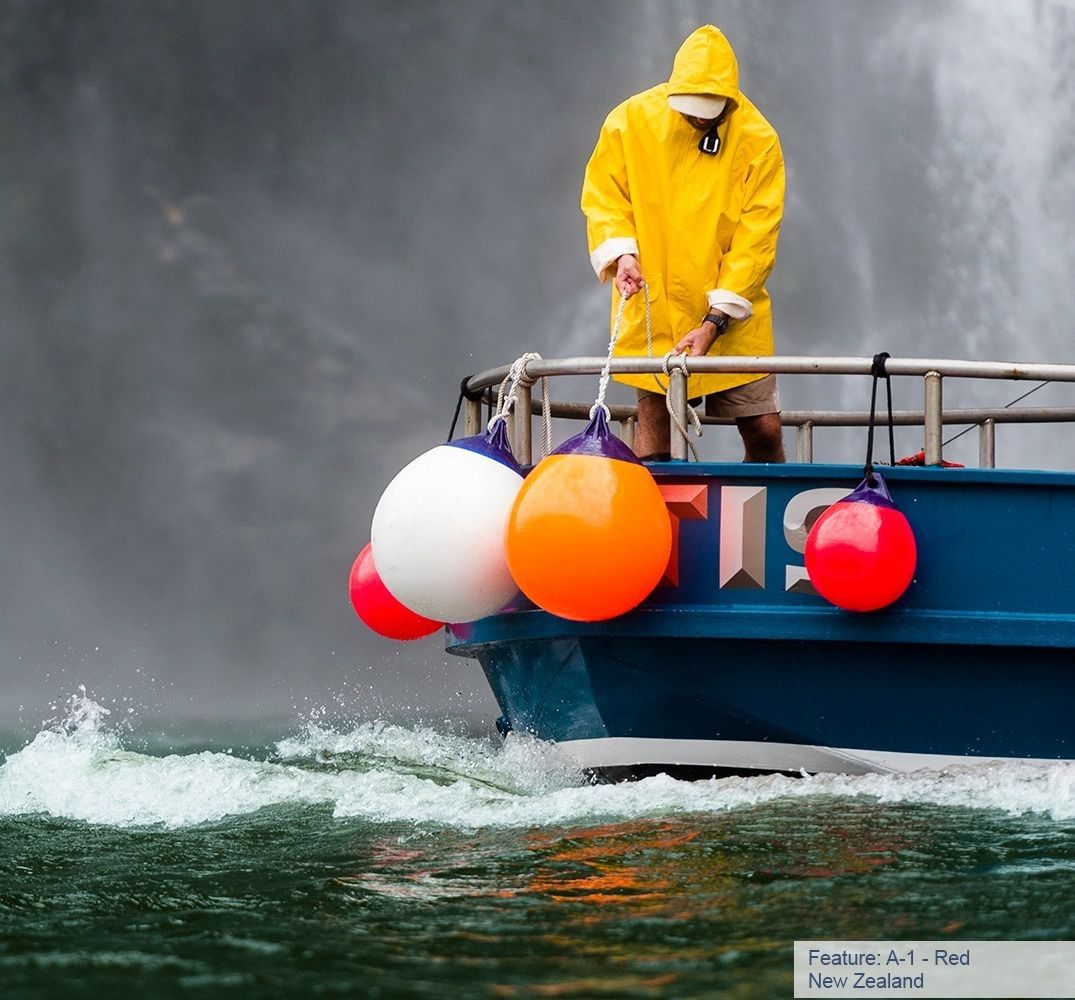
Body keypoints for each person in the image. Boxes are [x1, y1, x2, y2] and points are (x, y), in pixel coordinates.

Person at [581, 24, 786, 463]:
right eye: (690, 109)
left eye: (708, 111)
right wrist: (622, 254)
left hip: (732, 319)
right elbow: (604, 195)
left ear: (730, 102)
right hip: (653, 305)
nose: (698, 118)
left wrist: (715, 321)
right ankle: (652, 526)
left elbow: (756, 242)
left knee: (764, 428)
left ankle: (772, 515)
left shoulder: (759, 141)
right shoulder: (630, 121)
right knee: (654, 428)